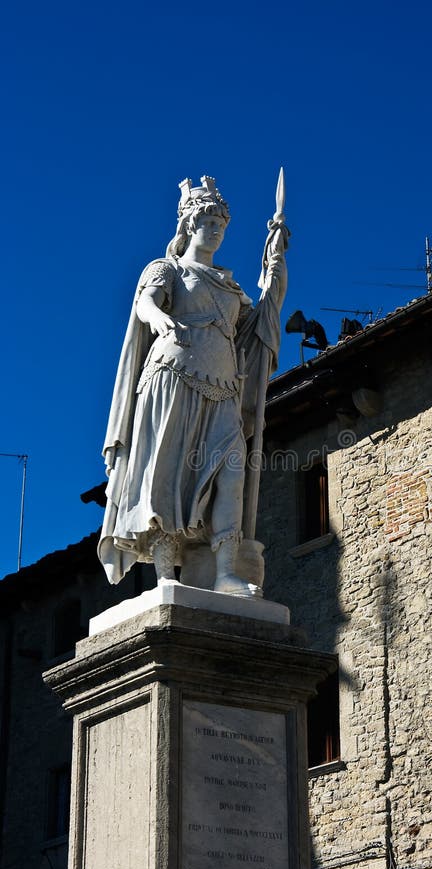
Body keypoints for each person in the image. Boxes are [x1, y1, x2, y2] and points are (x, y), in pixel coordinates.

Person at [99, 176, 287, 593]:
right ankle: (166, 573)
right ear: (188, 224)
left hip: (223, 389)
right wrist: (157, 317)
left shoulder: (229, 286)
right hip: (171, 379)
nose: (217, 230)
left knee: (231, 474)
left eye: (222, 223)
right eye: (208, 222)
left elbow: (253, 333)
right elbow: (145, 302)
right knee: (169, 477)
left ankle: (226, 573)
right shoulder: (168, 269)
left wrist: (273, 277)